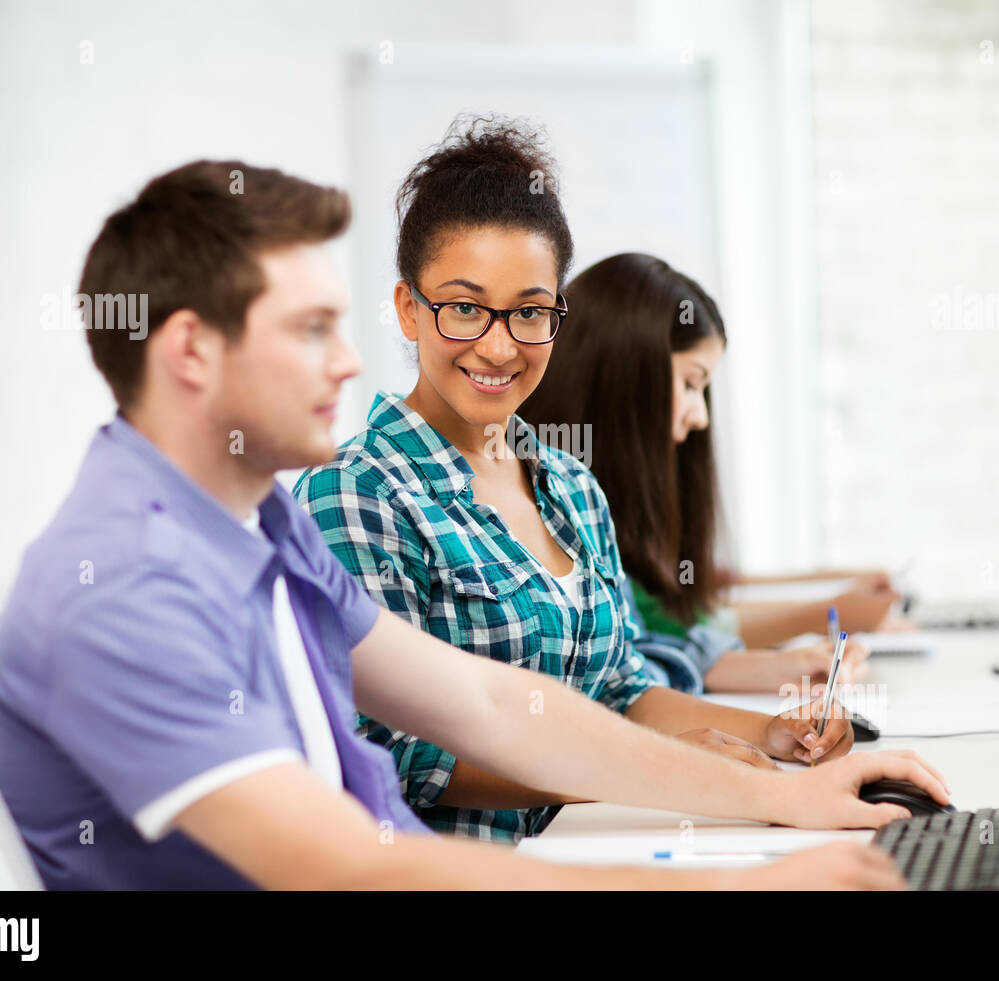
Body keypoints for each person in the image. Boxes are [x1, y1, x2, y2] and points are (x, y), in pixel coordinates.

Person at [0, 158, 944, 890]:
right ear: (190, 350)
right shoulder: (126, 582)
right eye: (312, 329)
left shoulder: (259, 522)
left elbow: (488, 706)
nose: (351, 361)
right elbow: (355, 869)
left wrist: (787, 794)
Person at [294, 117, 919, 842]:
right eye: (465, 307)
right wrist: (654, 771)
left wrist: (772, 734)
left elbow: (620, 691)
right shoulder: (356, 493)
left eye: (529, 311)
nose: (498, 344)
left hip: (593, 843)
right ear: (409, 309)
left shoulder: (572, 487)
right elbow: (391, 755)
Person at [520, 253, 881, 694]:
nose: (700, 417)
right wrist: (829, 610)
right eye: (691, 384)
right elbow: (656, 643)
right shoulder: (545, 496)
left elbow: (650, 648)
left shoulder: (600, 496)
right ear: (628, 378)